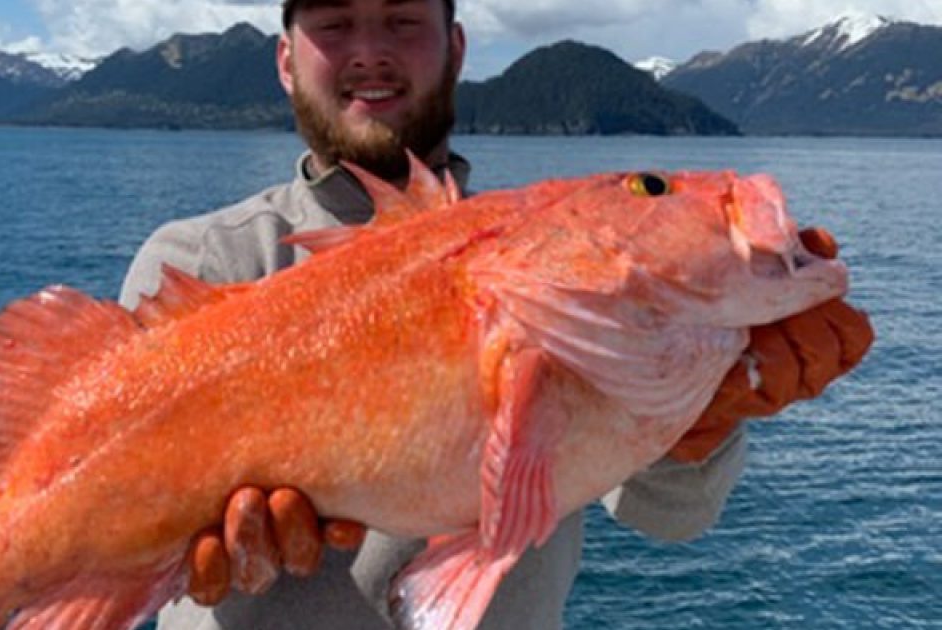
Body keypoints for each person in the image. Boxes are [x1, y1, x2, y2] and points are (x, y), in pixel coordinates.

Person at [117, 0, 875, 627]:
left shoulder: (553, 263)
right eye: (335, 23)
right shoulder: (194, 265)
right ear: (285, 60)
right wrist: (160, 549)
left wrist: (708, 419)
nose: (369, 51)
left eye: (402, 21)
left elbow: (669, 516)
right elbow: (102, 521)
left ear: (454, 49)